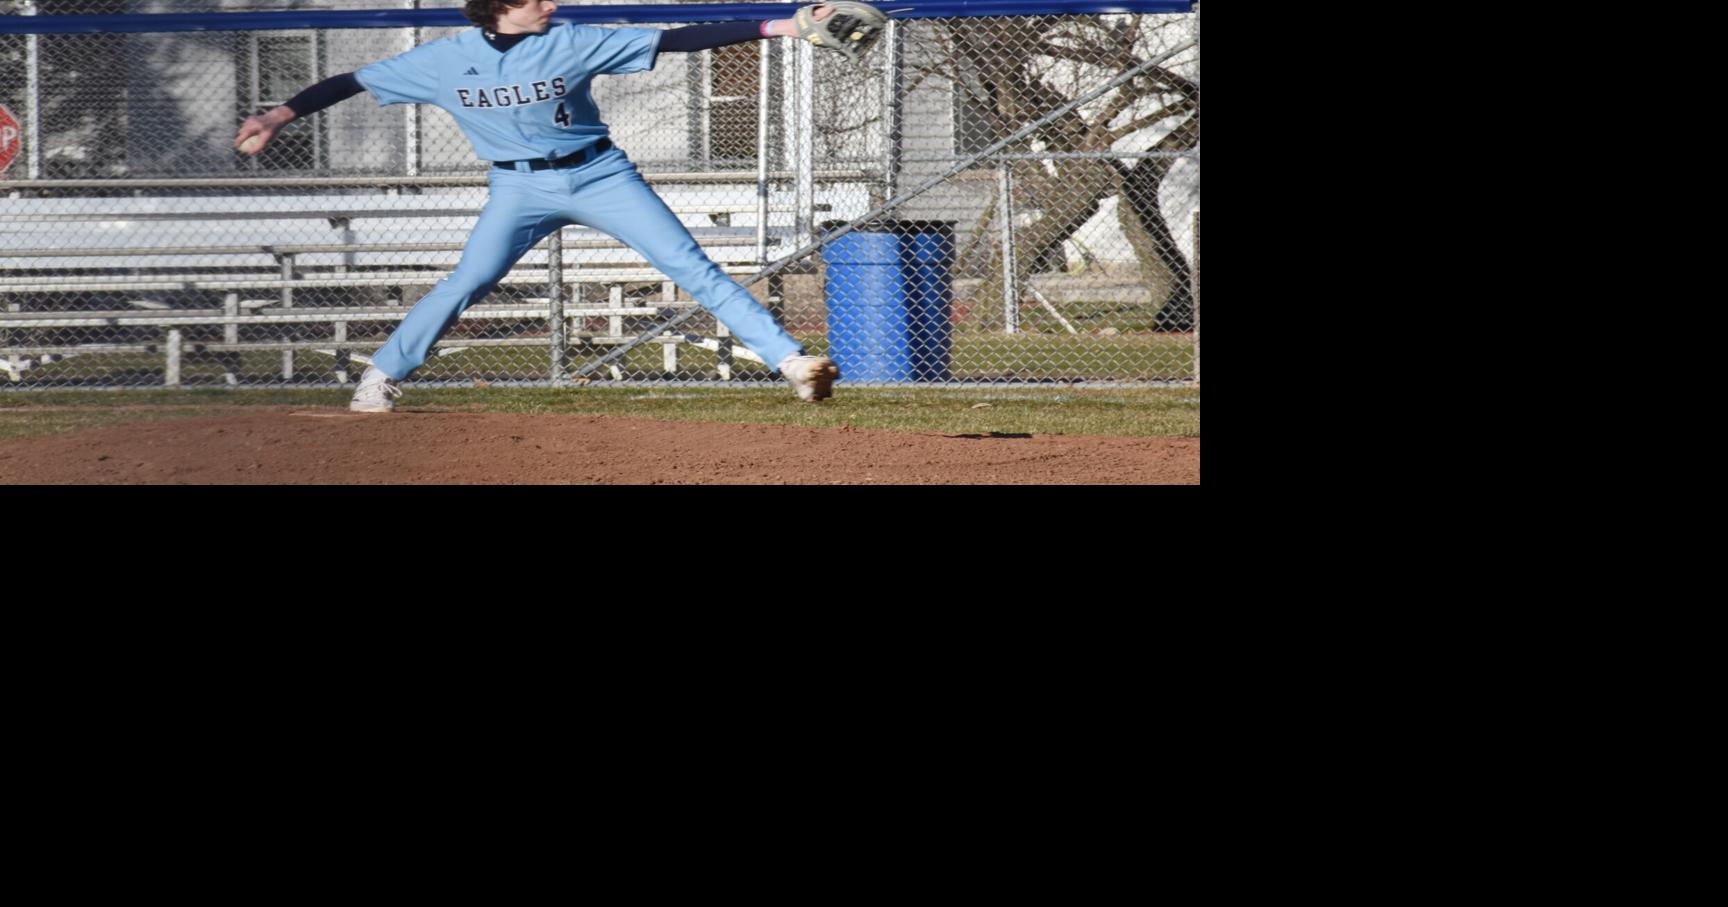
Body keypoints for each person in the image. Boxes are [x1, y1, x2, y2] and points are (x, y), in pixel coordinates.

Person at [235, 0, 845, 412]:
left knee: (691, 269)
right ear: (501, 8)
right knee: (468, 279)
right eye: (536, 0)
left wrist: (784, 25)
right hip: (518, 187)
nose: (551, 5)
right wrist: (276, 116)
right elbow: (351, 82)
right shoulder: (441, 60)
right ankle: (379, 378)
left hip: (602, 174)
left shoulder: (570, 41)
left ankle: (791, 363)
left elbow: (678, 39)